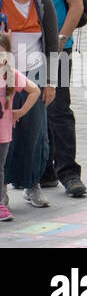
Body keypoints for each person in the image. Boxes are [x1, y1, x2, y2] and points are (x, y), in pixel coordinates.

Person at [1, 0, 85, 197]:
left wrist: (60, 38)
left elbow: (76, 5)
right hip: (18, 60)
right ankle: (41, 173)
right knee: (27, 116)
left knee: (58, 110)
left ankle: (69, 173)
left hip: (58, 49)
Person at [0, 0, 56, 208]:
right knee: (3, 136)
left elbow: (52, 45)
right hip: (4, 77)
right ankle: (2, 190)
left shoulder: (42, 0)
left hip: (33, 76)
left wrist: (51, 82)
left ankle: (32, 184)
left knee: (35, 134)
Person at [0, 30, 40, 220]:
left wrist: (21, 111)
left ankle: (0, 204)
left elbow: (34, 91)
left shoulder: (10, 75)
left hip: (3, 133)